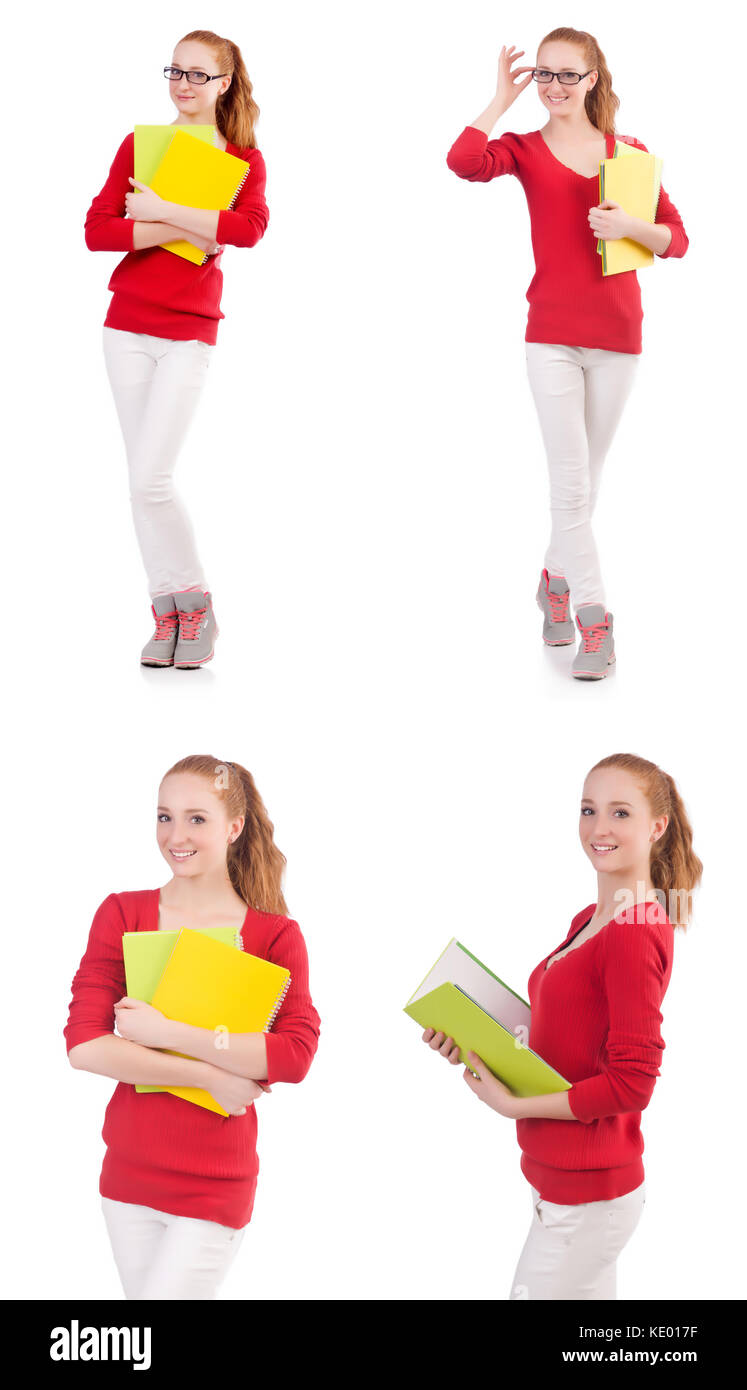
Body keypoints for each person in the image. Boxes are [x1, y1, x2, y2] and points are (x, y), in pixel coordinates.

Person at [446, 29, 688, 679]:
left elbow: (678, 241)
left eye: (566, 75)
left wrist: (629, 226)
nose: (553, 86)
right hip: (550, 337)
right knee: (570, 485)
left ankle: (552, 579)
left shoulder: (627, 155)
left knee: (584, 485)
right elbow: (463, 161)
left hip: (617, 339)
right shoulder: (522, 149)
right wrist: (498, 100)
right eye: (543, 75)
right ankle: (594, 619)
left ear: (591, 79)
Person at [422, 753, 702, 1299]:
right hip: (562, 1186)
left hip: (589, 1199)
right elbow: (570, 1040)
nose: (599, 829)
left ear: (657, 826)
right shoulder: (592, 918)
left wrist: (513, 1105)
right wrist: (476, 1044)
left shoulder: (632, 930)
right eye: (588, 809)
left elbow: (632, 1082)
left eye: (621, 813)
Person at [64, 756, 320, 1300]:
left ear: (234, 827)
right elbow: (86, 1046)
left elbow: (293, 1055)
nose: (175, 835)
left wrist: (168, 1032)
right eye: (164, 817)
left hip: (213, 1185)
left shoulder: (275, 936)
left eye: (196, 819)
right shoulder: (122, 913)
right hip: (127, 1178)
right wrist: (211, 1076)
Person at [85, 31, 269, 668]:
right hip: (125, 326)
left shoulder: (243, 156)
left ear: (223, 83)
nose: (184, 85)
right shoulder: (141, 145)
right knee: (142, 484)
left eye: (198, 75)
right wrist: (186, 220)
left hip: (189, 329)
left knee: (151, 478)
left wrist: (158, 211)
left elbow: (248, 229)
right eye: (175, 72)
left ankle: (195, 601)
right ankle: (166, 610)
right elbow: (97, 230)